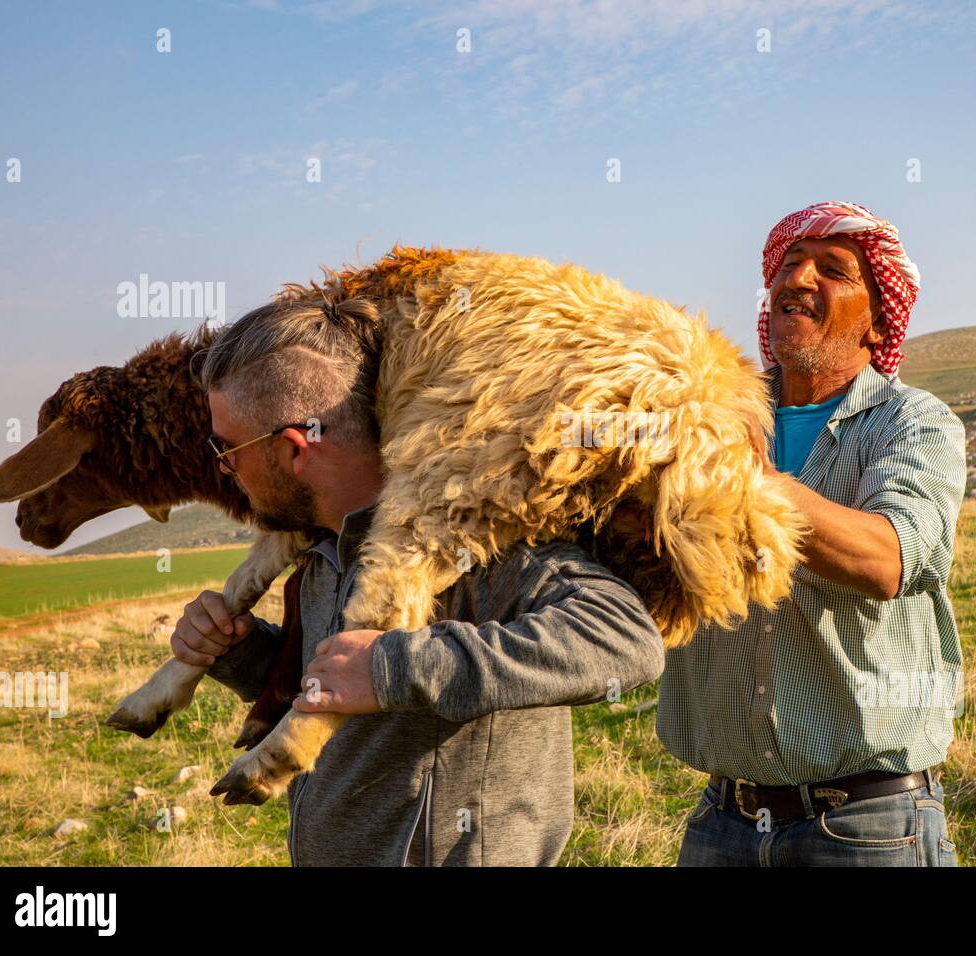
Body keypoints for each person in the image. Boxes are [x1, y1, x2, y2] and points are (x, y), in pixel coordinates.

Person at [172, 297, 664, 865]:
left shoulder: (477, 537)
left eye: (226, 449)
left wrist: (392, 667)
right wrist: (237, 652)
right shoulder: (322, 548)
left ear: (293, 448)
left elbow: (624, 639)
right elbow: (341, 687)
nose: (224, 469)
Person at [657, 201, 967, 866]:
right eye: (790, 265)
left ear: (879, 316)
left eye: (833, 270)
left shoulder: (912, 424)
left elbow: (889, 557)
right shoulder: (707, 417)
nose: (798, 280)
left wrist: (753, 482)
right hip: (723, 822)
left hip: (868, 826)